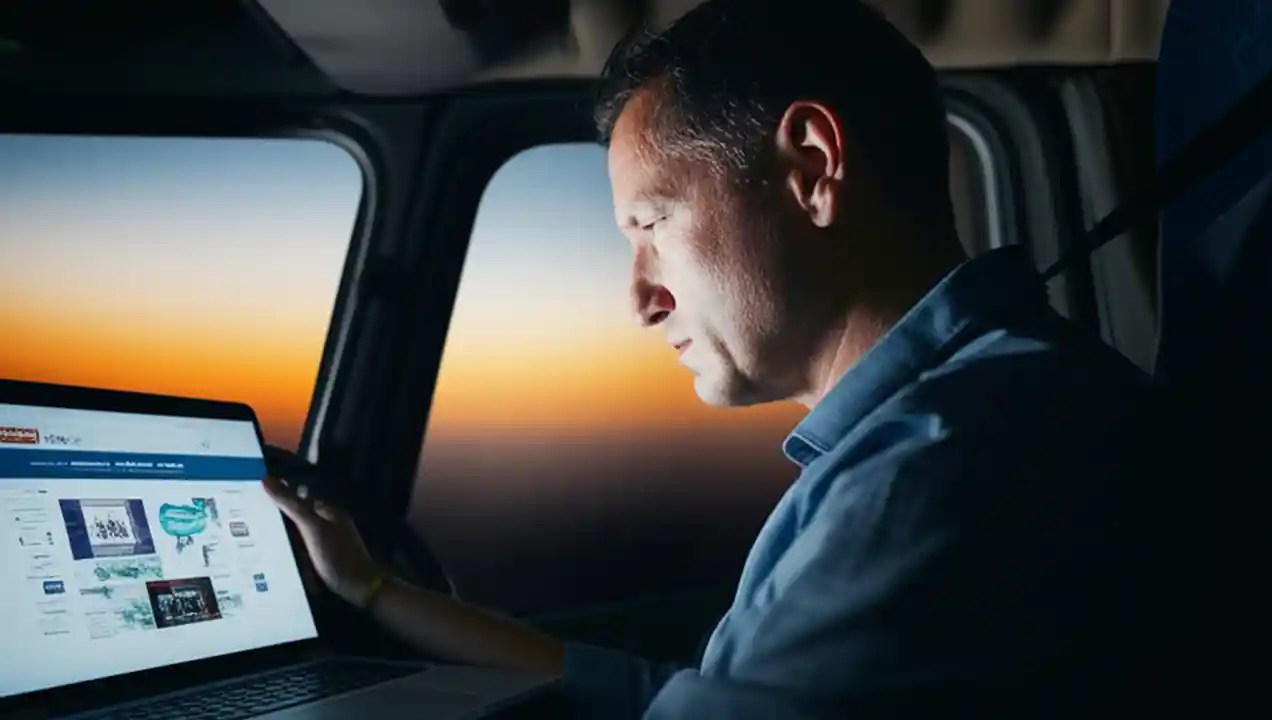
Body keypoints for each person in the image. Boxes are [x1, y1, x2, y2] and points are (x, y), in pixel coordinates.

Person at [264, 0, 1193, 716]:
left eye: (652, 225)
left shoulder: (938, 472)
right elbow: (671, 698)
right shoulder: (980, 410)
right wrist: (376, 591)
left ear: (812, 168)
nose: (640, 298)